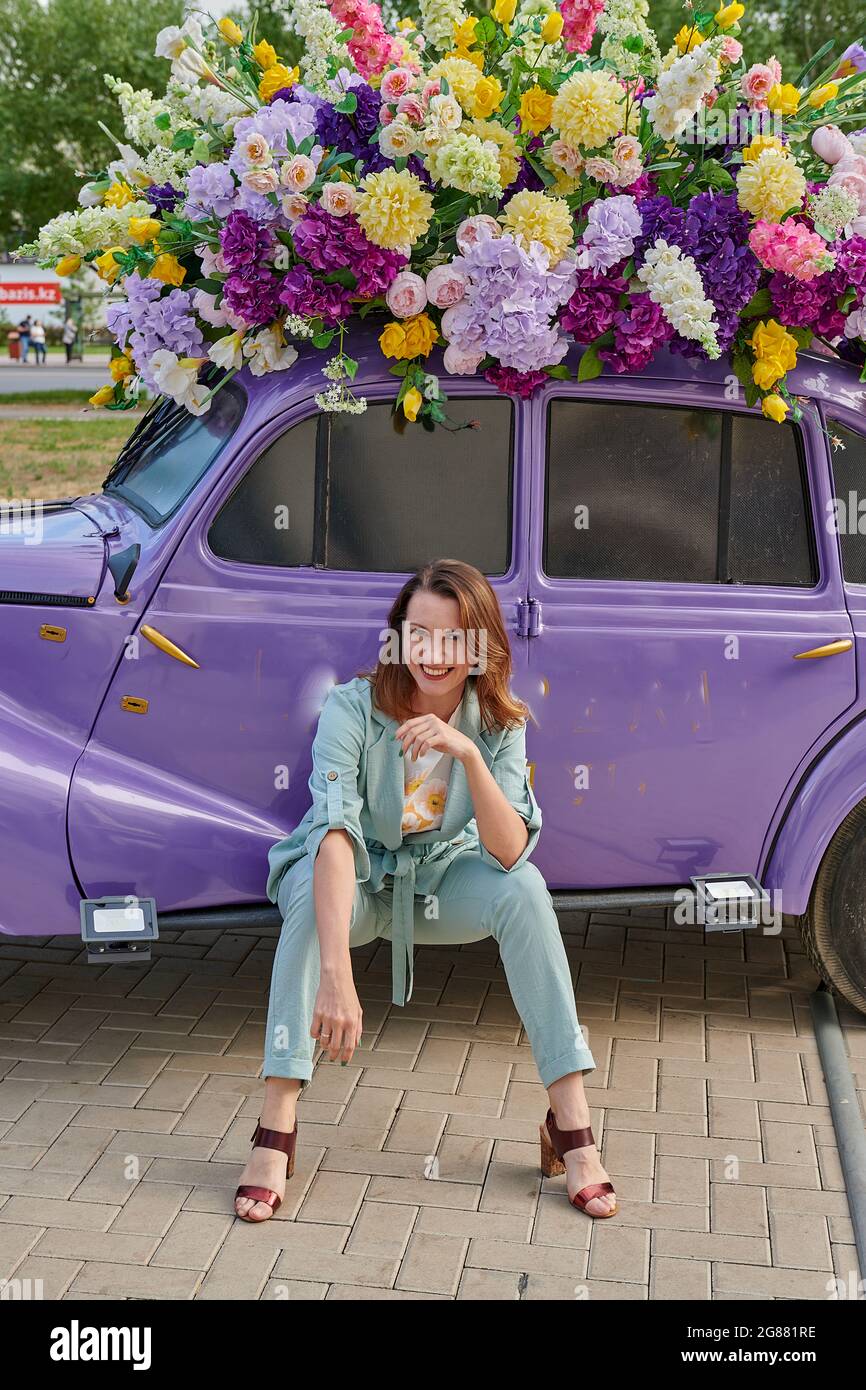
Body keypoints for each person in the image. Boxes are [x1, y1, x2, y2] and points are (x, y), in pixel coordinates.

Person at [234, 558, 617, 1224]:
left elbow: (507, 848)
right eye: (419, 636)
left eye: (453, 639)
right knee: (307, 892)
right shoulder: (353, 709)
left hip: (439, 880)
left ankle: (572, 1126)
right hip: (351, 876)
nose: (434, 655)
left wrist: (466, 752)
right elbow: (332, 836)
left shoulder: (498, 720)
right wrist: (336, 975)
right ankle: (275, 1129)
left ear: (480, 646)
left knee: (524, 890)